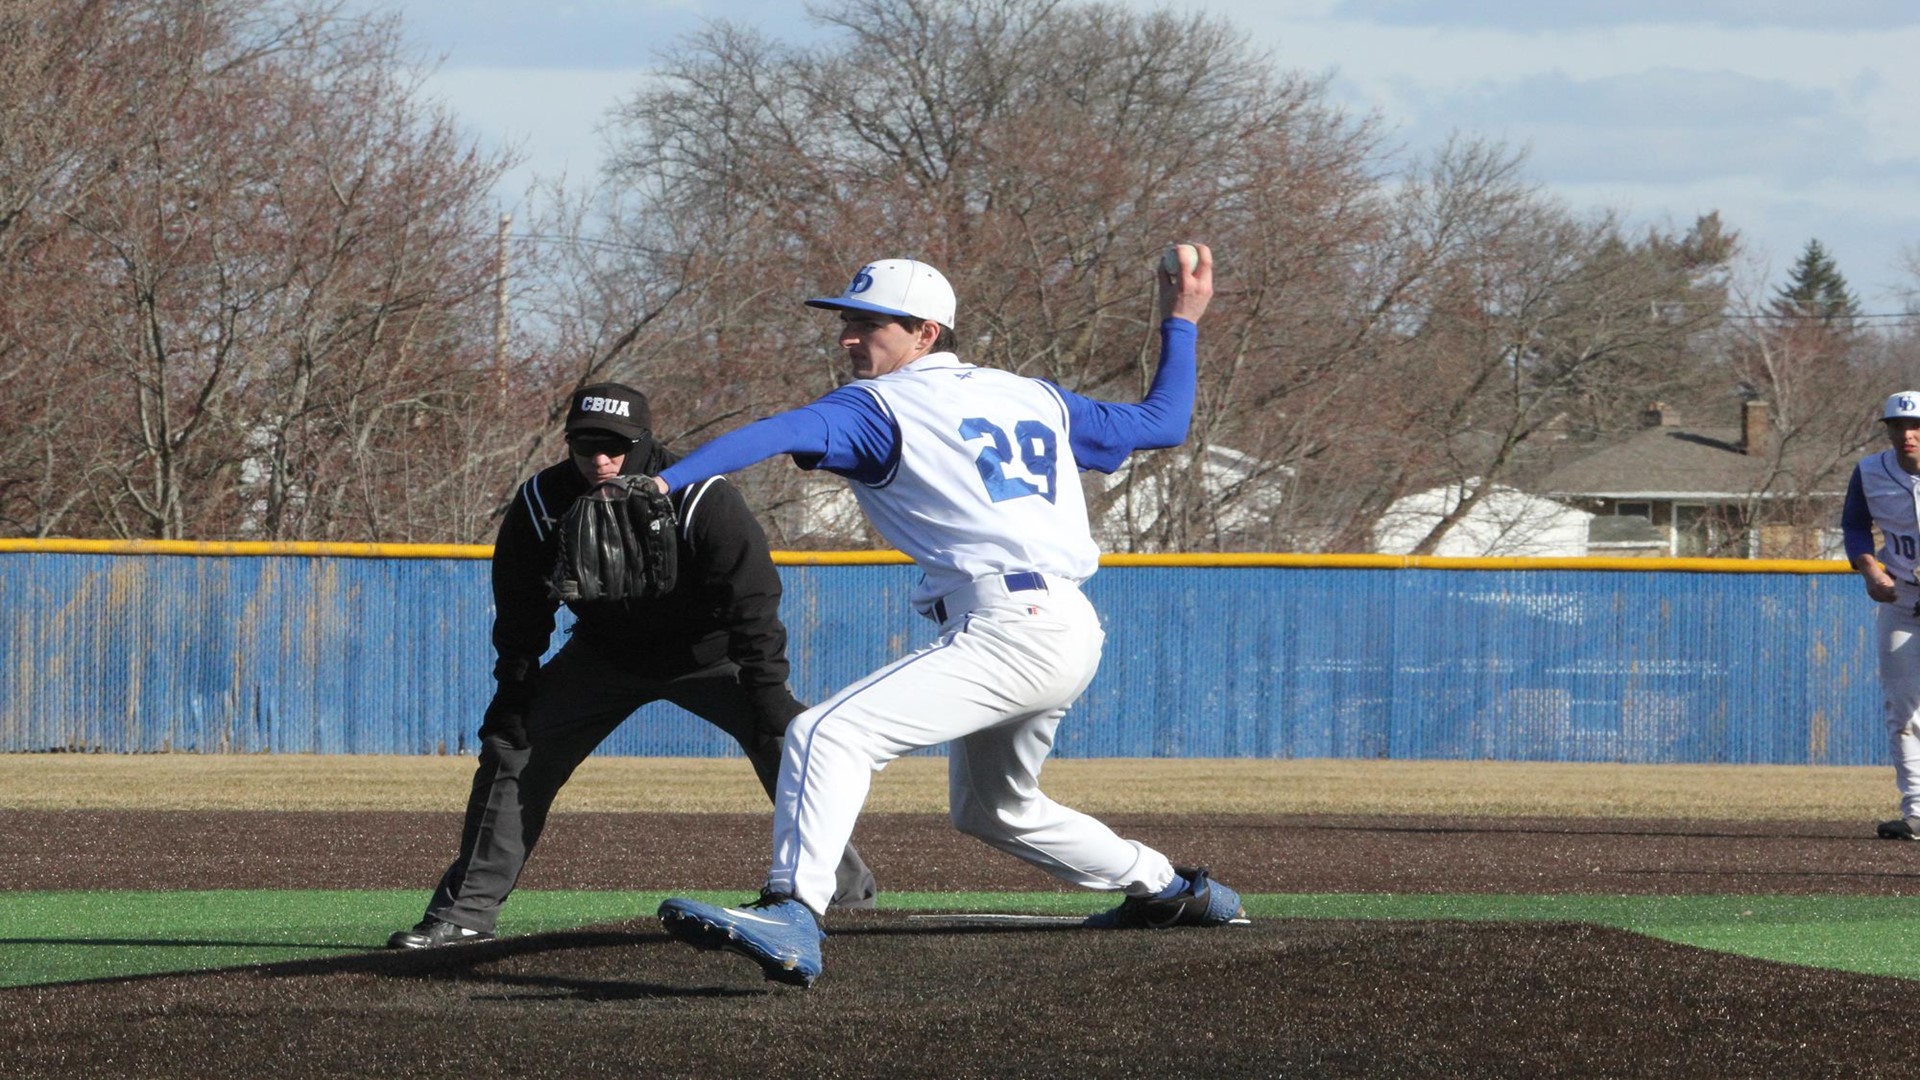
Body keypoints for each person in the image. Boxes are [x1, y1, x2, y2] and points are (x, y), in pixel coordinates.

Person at [652, 248, 1244, 988]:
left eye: (869, 323)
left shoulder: (876, 406)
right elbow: (1165, 422)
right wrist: (1181, 325)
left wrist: (663, 482)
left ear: (926, 333)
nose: (848, 337)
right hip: (1063, 625)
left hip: (1009, 625)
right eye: (848, 322)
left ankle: (794, 909)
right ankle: (1173, 891)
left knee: (825, 733)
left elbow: (769, 435)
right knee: (996, 809)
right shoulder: (1037, 398)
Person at [388, 382, 876, 949]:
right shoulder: (544, 501)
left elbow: (753, 597)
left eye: (616, 446)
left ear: (644, 442)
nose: (600, 459)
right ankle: (466, 914)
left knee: (791, 745)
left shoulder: (699, 493)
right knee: (513, 748)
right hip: (603, 654)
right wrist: (514, 688)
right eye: (585, 444)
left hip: (711, 653)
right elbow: (521, 607)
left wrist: (768, 690)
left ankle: (846, 900)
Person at [1845, 390, 1920, 841]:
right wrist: (1870, 569)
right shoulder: (1871, 470)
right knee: (1903, 709)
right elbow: (1854, 526)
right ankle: (1917, 811)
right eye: (1898, 426)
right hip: (1902, 601)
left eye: (1916, 427)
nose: (1907, 434)